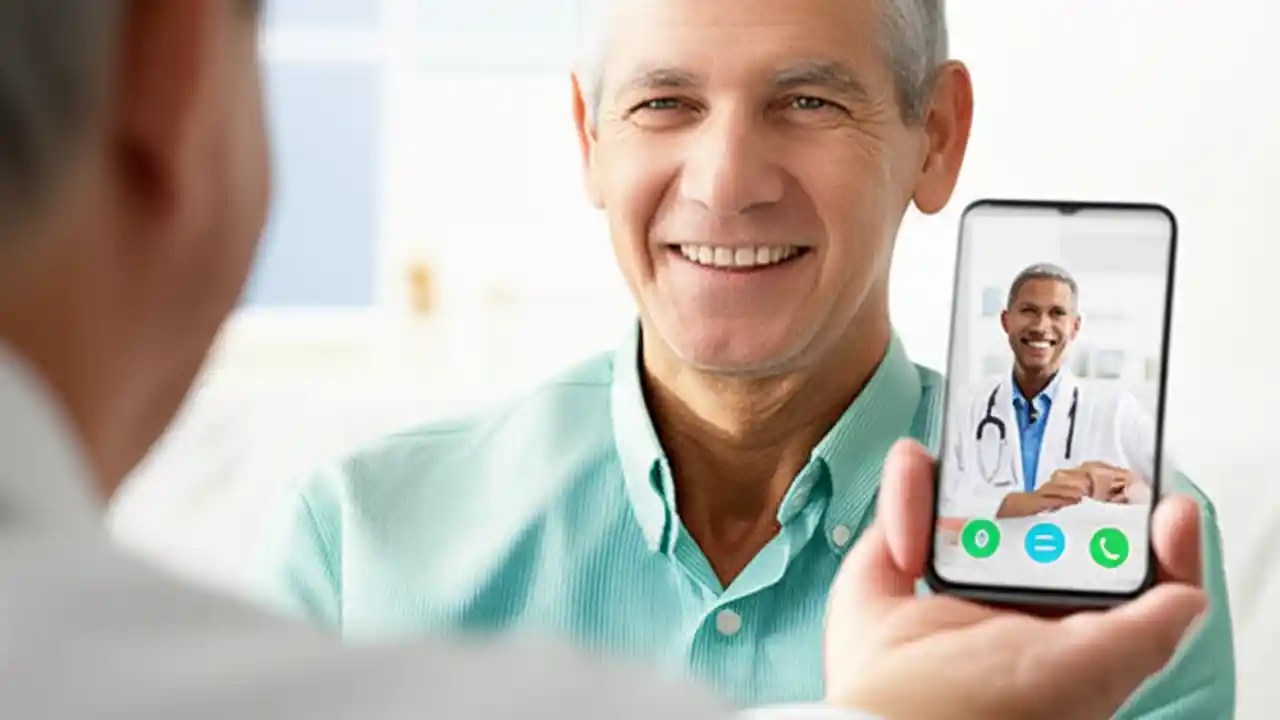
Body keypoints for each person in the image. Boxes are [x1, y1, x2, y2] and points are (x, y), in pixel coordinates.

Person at [0, 1, 1213, 718]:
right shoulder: (357, 538)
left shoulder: (1119, 568)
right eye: (662, 105)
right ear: (587, 138)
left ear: (933, 137)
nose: (726, 180)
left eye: (806, 102)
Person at [943, 263, 1157, 520]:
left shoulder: (1117, 410)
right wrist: (1033, 502)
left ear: (1075, 326)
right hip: (985, 557)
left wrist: (1132, 489)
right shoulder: (966, 407)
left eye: (1057, 313)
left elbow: (1175, 497)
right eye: (1028, 311)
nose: (1041, 325)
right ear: (1005, 321)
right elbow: (942, 508)